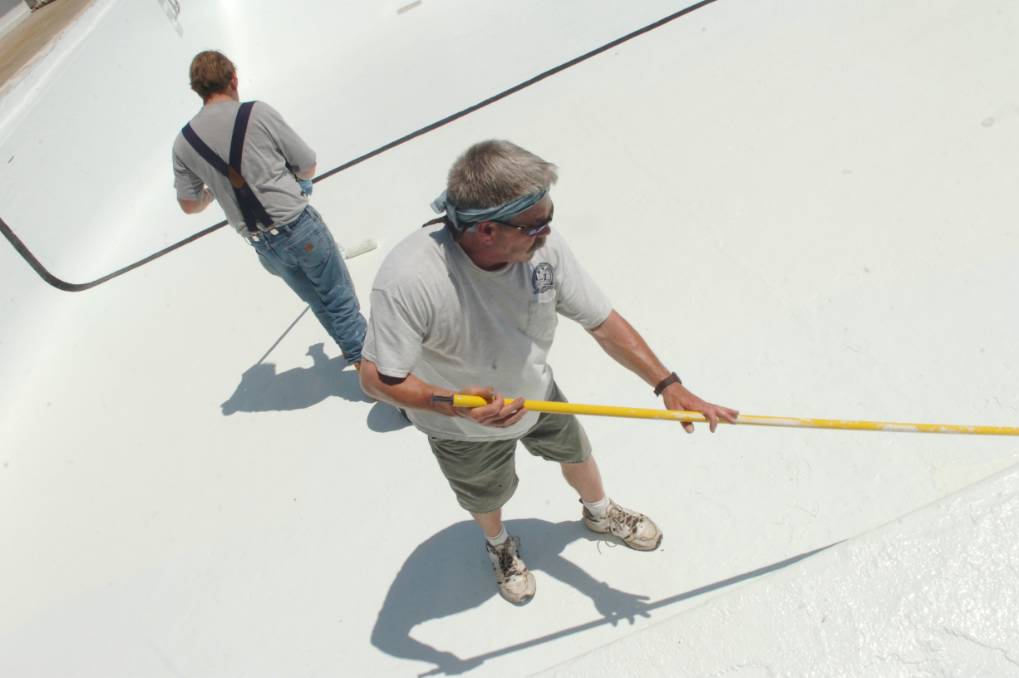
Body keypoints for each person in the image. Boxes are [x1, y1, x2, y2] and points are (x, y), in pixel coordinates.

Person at [359, 140, 738, 605]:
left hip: (538, 393)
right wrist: (453, 404)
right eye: (535, 225)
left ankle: (599, 513)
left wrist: (669, 384)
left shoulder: (544, 250)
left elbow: (601, 322)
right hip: (461, 426)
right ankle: (499, 545)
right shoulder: (409, 279)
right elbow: (376, 378)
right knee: (486, 497)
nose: (546, 233)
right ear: (486, 230)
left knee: (576, 452)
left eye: (549, 217)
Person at [172, 50, 366, 367]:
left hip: (263, 245)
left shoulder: (184, 142)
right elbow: (307, 165)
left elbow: (189, 204)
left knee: (319, 302)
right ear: (233, 79)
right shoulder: (257, 113)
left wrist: (212, 193)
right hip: (299, 227)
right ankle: (378, 376)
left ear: (197, 90)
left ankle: (355, 353)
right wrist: (295, 181)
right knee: (339, 298)